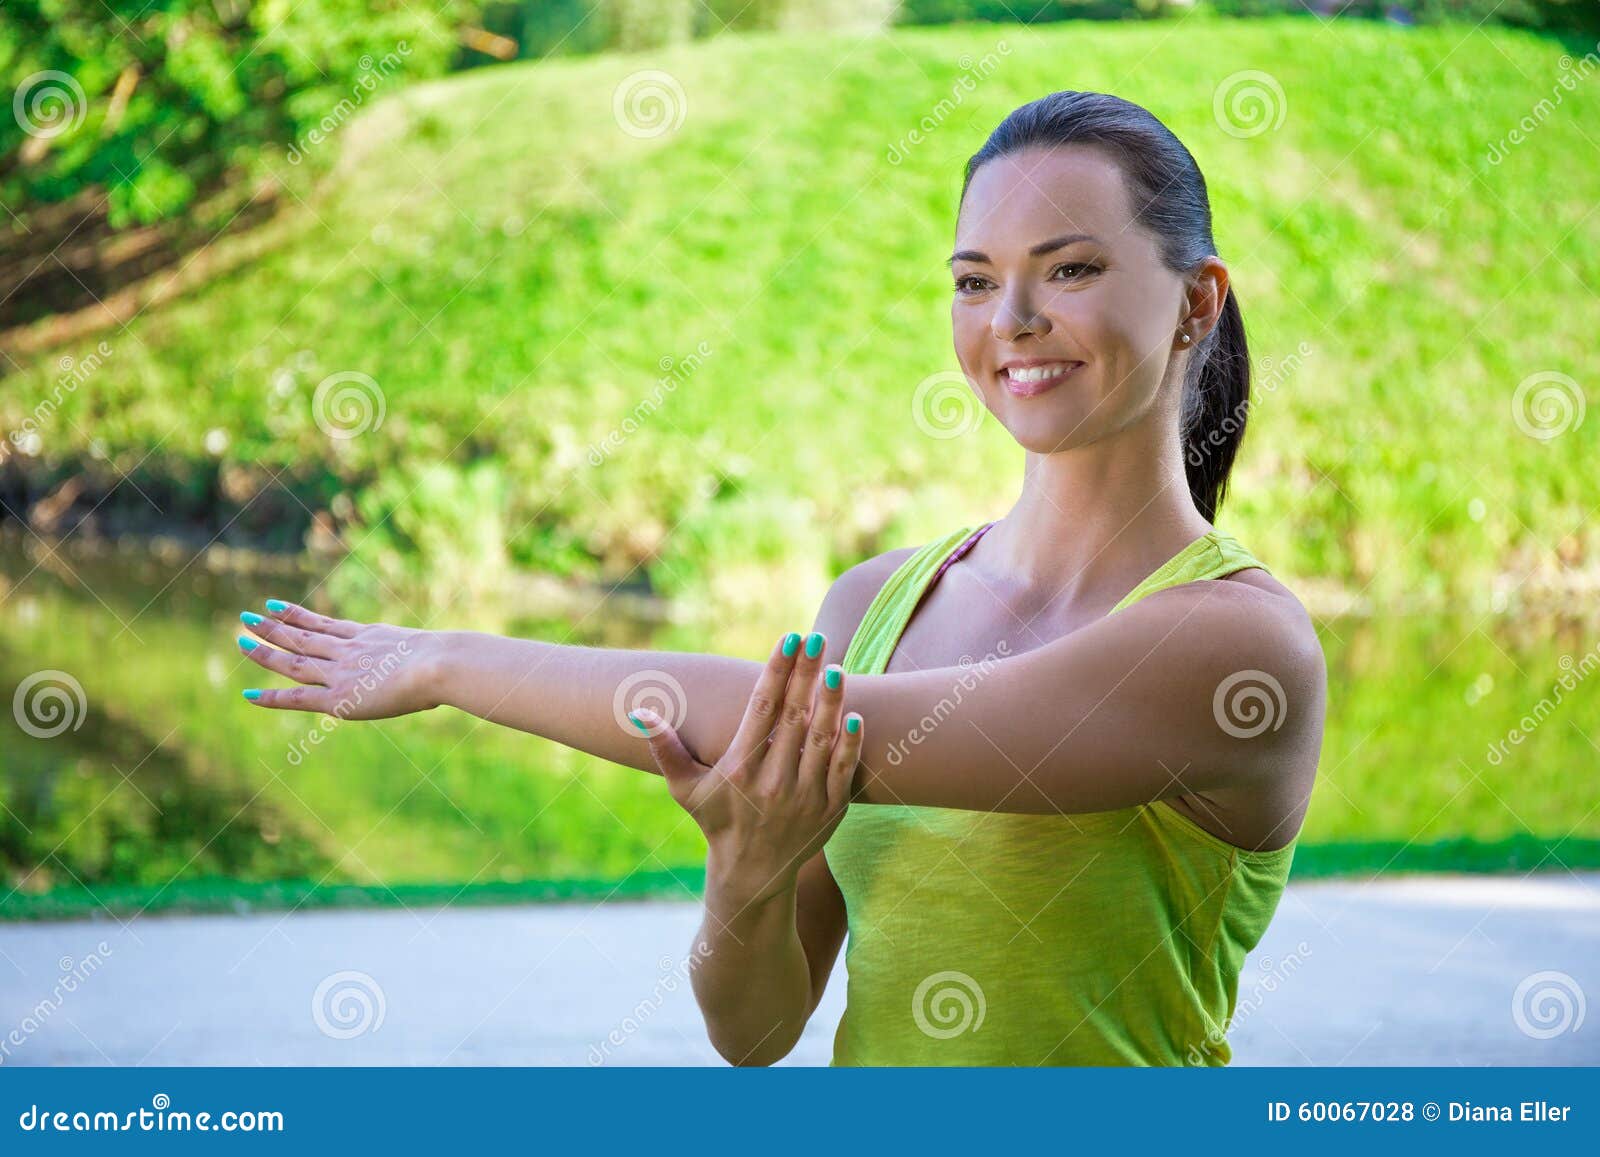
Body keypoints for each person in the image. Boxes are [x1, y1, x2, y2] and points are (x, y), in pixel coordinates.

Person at [234, 90, 1326, 1066]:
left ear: (1195, 301)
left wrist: (447, 658)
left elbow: (809, 723)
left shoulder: (1235, 644)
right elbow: (753, 1033)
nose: (1011, 321)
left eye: (1070, 268)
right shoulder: (870, 606)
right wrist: (746, 866)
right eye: (974, 280)